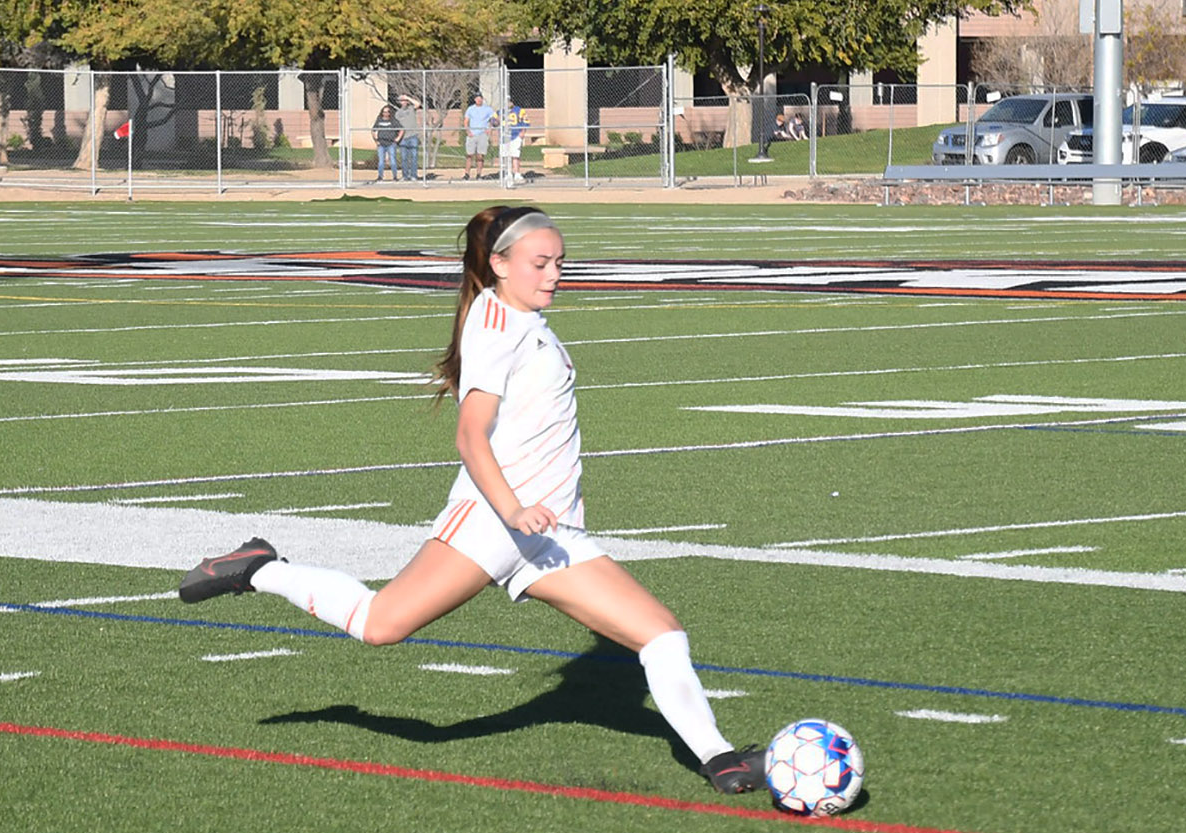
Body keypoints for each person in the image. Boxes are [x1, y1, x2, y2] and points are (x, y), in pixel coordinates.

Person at [177, 205, 766, 795]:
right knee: (379, 626)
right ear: (500, 264)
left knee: (662, 636)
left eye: (560, 262)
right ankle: (259, 569)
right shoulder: (495, 325)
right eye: (540, 264)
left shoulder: (522, 318)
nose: (554, 274)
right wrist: (511, 509)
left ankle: (718, 759)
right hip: (492, 520)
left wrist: (529, 517)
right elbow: (469, 433)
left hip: (548, 536)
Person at [463, 93, 496, 180]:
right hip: (472, 134)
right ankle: (467, 174)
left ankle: (479, 174)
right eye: (477, 98)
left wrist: (490, 129)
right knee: (469, 155)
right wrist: (468, 131)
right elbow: (466, 121)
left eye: (480, 98)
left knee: (480, 155)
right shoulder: (470, 109)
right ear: (474, 100)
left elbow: (493, 119)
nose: (479, 100)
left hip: (482, 134)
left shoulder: (488, 109)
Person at [499, 100, 528, 187]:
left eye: (509, 101)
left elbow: (525, 121)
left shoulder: (519, 110)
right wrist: (496, 120)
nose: (508, 103)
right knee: (505, 155)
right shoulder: (501, 111)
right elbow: (494, 121)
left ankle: (517, 173)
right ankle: (508, 173)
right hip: (504, 137)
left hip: (515, 135)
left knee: (515, 155)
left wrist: (523, 132)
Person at [395, 95, 423, 181]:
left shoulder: (411, 109)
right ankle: (405, 176)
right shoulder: (398, 113)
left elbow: (418, 104)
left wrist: (408, 97)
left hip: (413, 136)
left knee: (414, 157)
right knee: (404, 158)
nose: (404, 102)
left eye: (405, 100)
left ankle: (414, 175)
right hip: (403, 138)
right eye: (402, 101)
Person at [371, 105, 402, 182]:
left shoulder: (393, 120)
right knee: (381, 161)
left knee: (393, 161)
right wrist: (376, 140)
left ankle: (395, 176)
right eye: (384, 112)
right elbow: (373, 130)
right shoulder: (379, 120)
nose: (385, 113)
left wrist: (398, 138)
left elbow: (401, 129)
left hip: (391, 143)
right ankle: (380, 176)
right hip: (381, 143)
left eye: (387, 112)